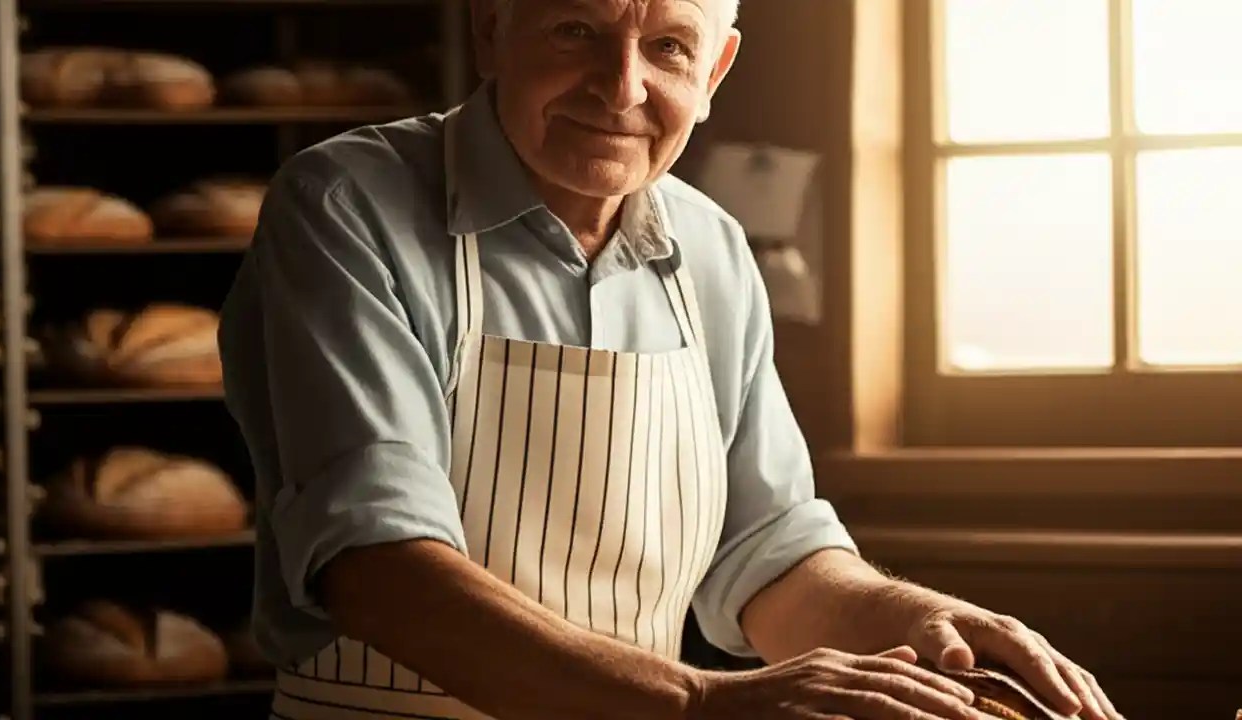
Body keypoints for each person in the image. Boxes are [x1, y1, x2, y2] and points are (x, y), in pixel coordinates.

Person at [218, 1, 1125, 719]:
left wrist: (922, 621)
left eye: (668, 49)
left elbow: (767, 553)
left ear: (717, 67)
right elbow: (380, 571)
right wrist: (697, 701)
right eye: (578, 31)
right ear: (493, 30)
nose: (621, 88)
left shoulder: (711, 246)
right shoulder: (347, 205)